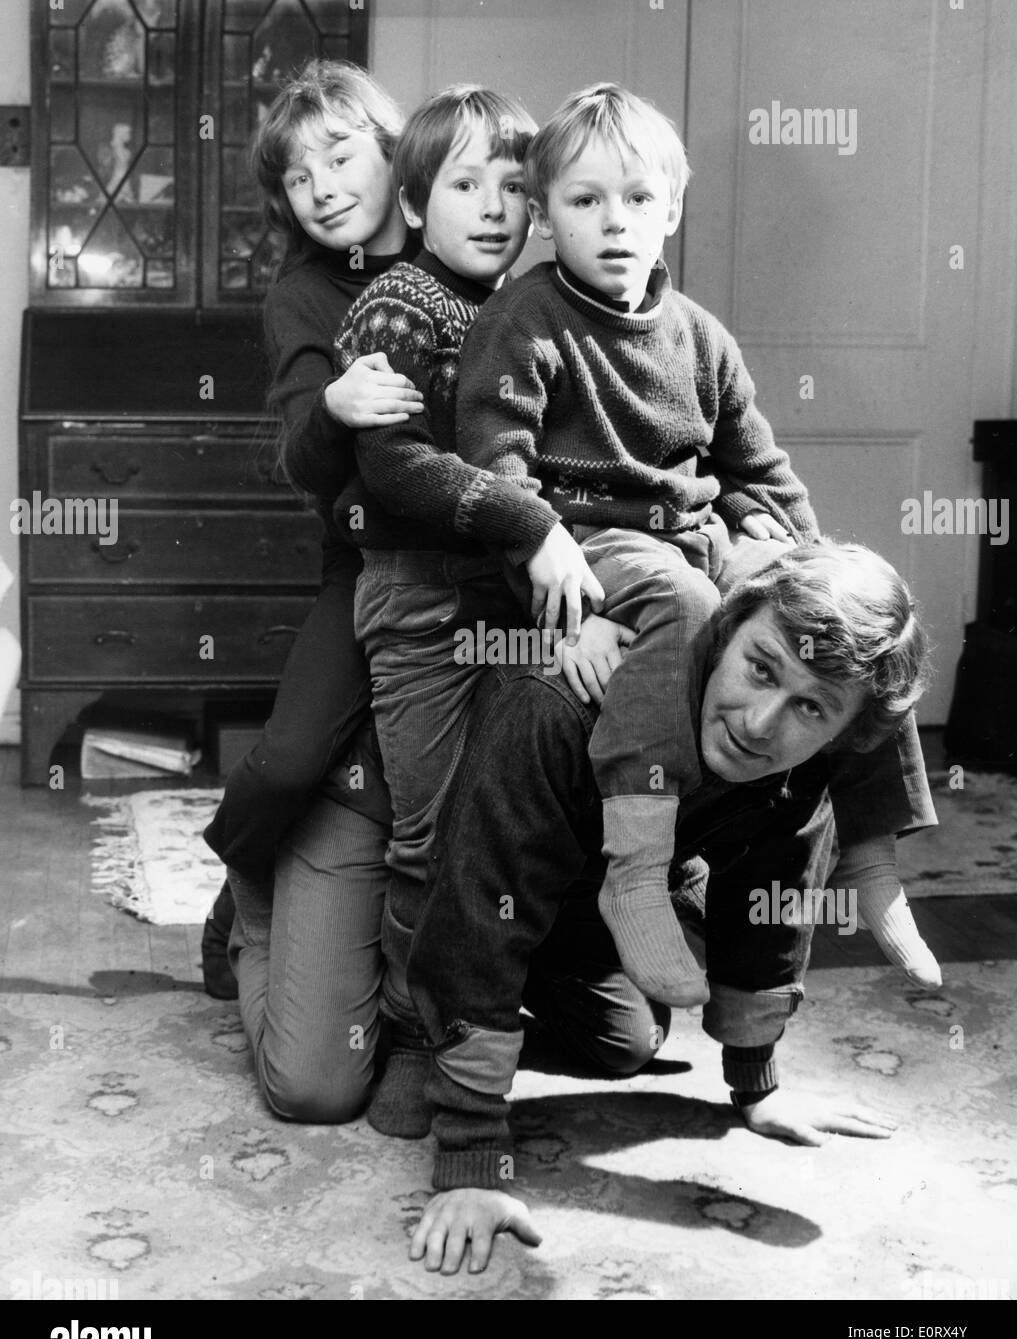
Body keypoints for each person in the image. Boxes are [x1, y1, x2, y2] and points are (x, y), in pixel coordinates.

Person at [452, 82, 940, 1006]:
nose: (614, 221)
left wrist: (804, 549)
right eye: (584, 200)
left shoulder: (700, 338)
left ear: (671, 208)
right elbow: (490, 469)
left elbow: (757, 462)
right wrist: (543, 545)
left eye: (637, 199)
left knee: (862, 615)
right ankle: (637, 865)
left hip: (697, 539)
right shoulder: (521, 323)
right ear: (546, 216)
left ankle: (872, 862)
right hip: (586, 548)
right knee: (680, 603)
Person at [405, 541, 940, 1274]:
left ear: (845, 734)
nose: (758, 724)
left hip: (583, 907)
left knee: (626, 1046)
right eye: (759, 668)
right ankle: (325, 964)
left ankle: (483, 1015)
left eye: (809, 707)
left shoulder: (802, 766)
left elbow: (768, 913)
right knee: (365, 1072)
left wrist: (756, 1086)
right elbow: (475, 908)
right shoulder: (561, 705)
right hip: (458, 878)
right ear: (726, 627)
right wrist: (471, 1154)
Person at [328, 85, 605, 1135]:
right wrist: (524, 517)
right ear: (413, 198)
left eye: (512, 187)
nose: (493, 207)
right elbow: (392, 464)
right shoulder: (399, 303)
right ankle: (415, 1028)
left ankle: (503, 998)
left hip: (522, 596)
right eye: (463, 184)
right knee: (431, 831)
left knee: (522, 812)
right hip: (424, 594)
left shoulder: (540, 304)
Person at [200, 59, 423, 999]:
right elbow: (301, 455)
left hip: (486, 560)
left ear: (393, 152)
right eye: (298, 176)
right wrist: (333, 403)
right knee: (293, 757)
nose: (323, 188)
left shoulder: (456, 245)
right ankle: (238, 883)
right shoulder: (298, 297)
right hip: (367, 558)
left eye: (340, 156)